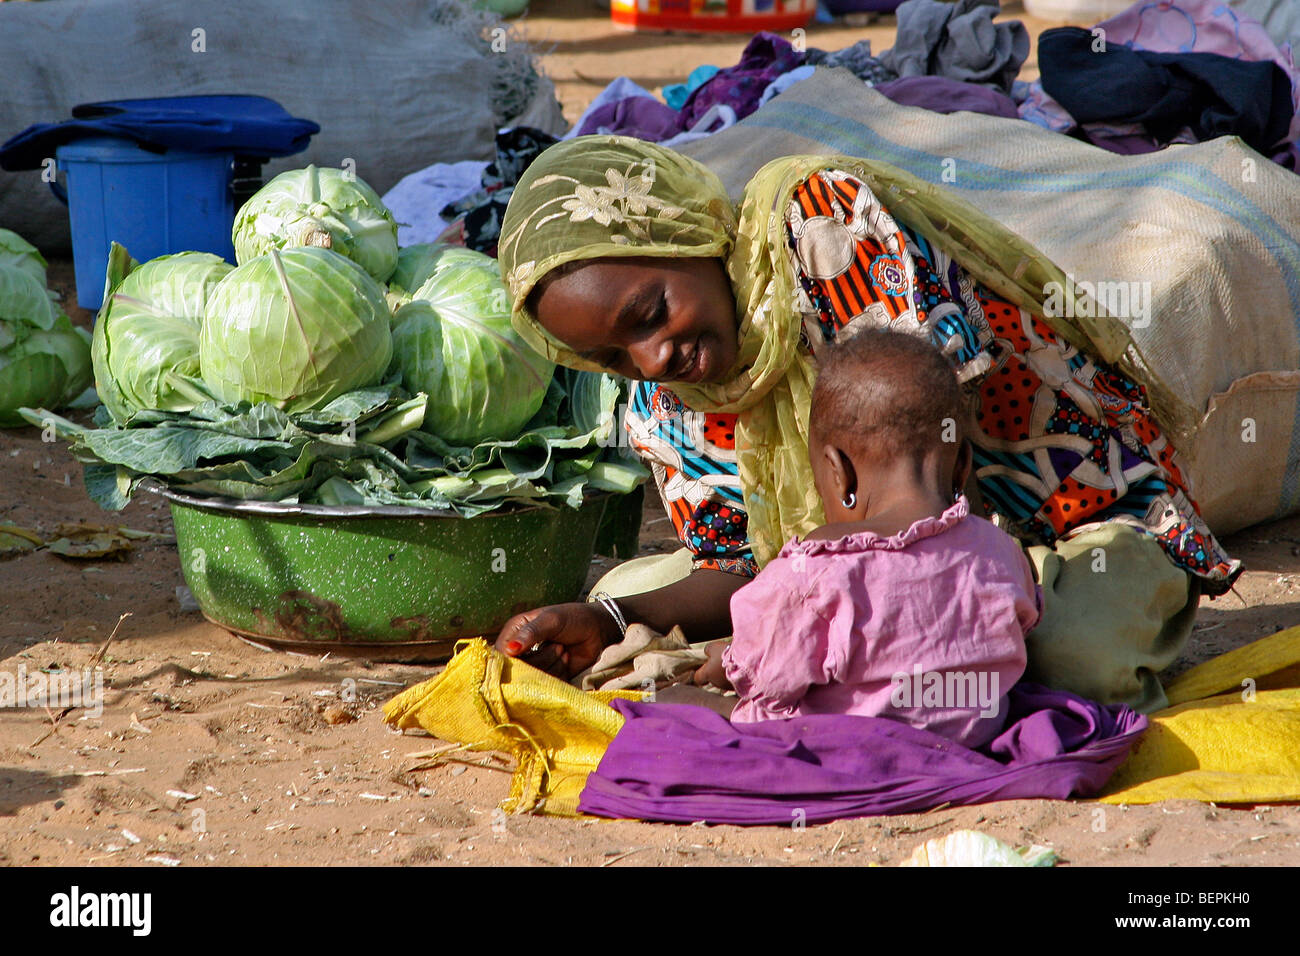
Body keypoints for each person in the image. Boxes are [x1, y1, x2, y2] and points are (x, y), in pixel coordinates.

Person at [493, 134, 1239, 712]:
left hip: (1048, 528)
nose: (651, 359)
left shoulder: (824, 228)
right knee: (633, 596)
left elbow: (936, 497)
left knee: (1078, 659)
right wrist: (610, 614)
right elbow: (733, 564)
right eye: (613, 359)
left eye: (650, 314)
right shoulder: (670, 397)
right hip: (847, 564)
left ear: (683, 232)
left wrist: (782, 631)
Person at [689, 328, 1038, 747]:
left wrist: (726, 666)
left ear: (839, 473)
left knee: (682, 707)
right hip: (972, 738)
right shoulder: (998, 551)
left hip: (839, 747)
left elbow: (765, 677)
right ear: (962, 465)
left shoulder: (813, 572)